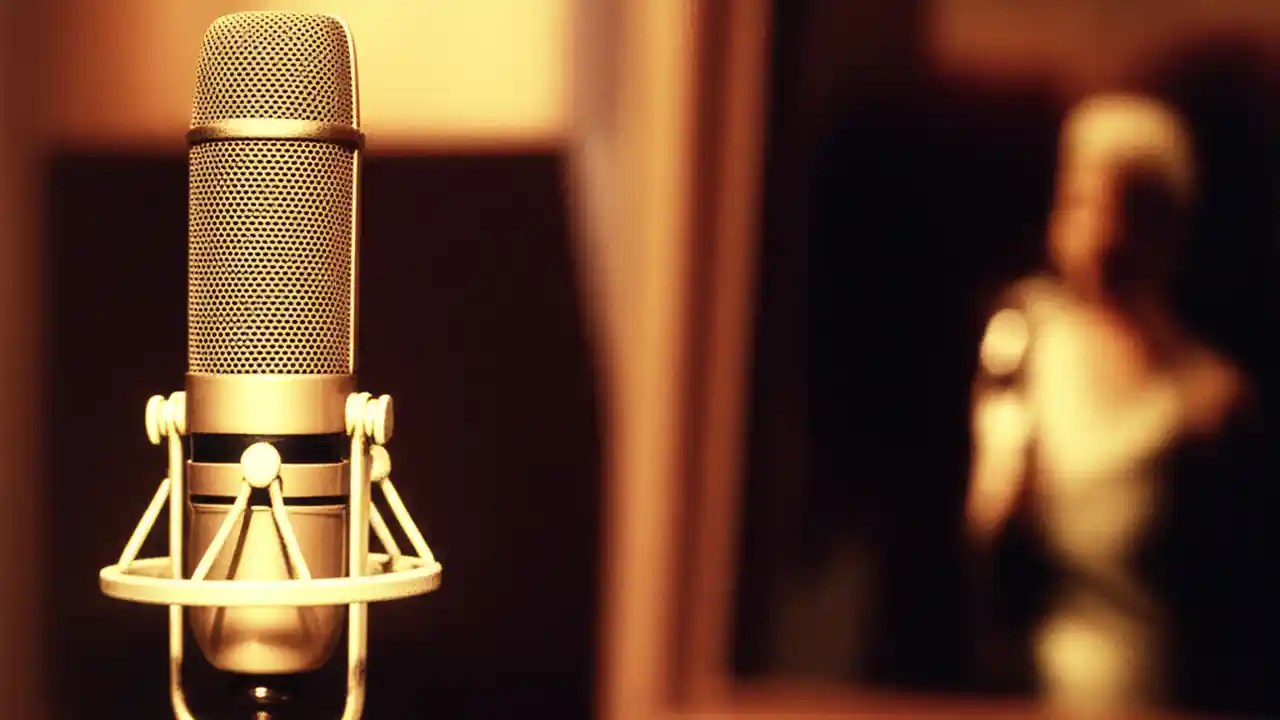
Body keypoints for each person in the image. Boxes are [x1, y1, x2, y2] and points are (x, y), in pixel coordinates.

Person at [965, 94, 1246, 715]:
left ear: (1164, 228)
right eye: (1079, 201)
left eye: (1121, 209)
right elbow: (991, 525)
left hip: (1149, 679)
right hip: (1032, 672)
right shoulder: (1024, 337)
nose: (1096, 231)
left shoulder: (1206, 392)